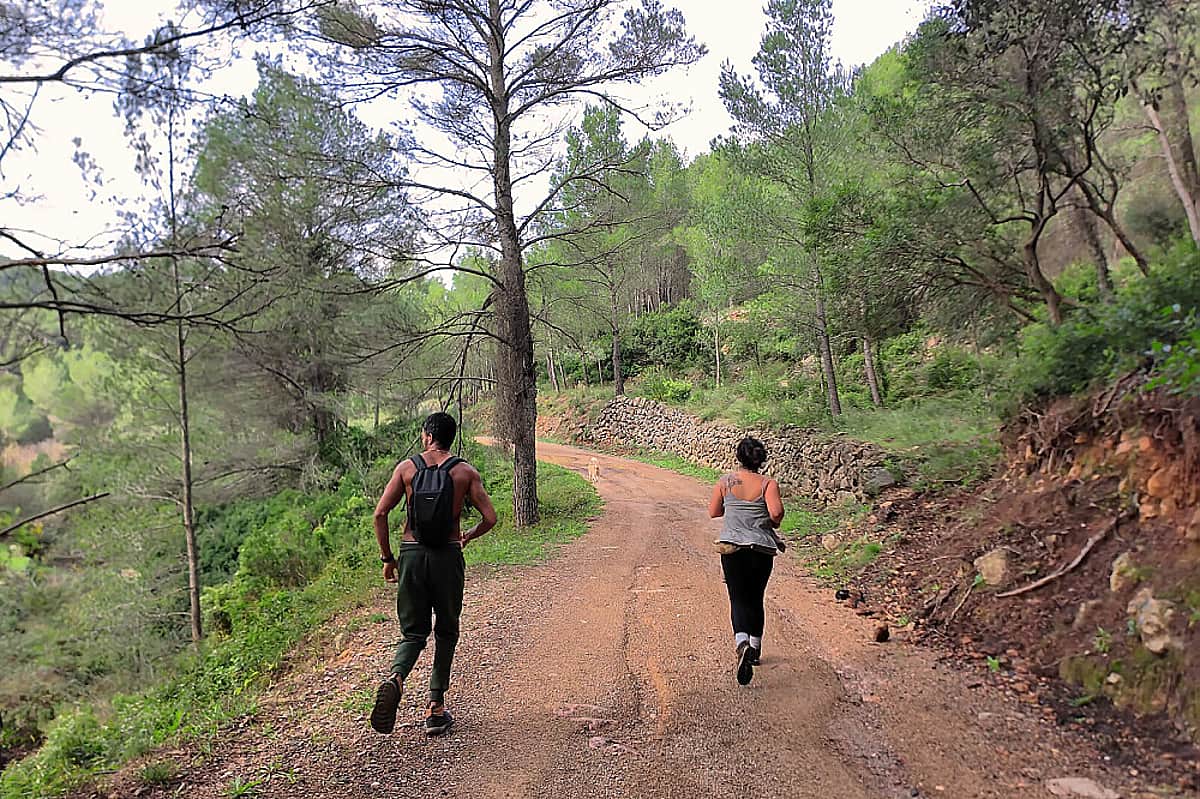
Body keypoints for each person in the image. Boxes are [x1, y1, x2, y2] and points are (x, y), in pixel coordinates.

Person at [369, 412, 497, 736]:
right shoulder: (465, 472)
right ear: (450, 438)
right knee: (446, 630)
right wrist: (468, 535)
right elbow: (491, 518)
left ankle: (396, 678)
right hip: (448, 557)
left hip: (411, 554)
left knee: (413, 632)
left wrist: (388, 558)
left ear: (427, 435)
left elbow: (380, 513)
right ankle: (436, 707)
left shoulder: (407, 468)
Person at [708, 436, 785, 686]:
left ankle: (741, 643)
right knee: (755, 597)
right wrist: (772, 522)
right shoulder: (768, 484)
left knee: (738, 598)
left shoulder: (726, 482)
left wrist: (732, 508)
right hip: (760, 549)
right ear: (760, 459)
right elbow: (776, 513)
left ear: (738, 457)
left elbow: (714, 511)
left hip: (732, 549)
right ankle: (755, 648)